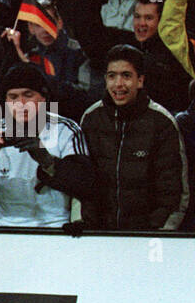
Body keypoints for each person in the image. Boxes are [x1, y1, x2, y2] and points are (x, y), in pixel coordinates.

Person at [0, 62, 96, 228]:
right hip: (6, 228)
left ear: (43, 97)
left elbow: (86, 183)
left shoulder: (66, 130)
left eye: (28, 95)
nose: (20, 103)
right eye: (13, 97)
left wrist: (47, 160)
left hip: (57, 226)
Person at [80, 45, 188, 230]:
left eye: (126, 76)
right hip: (98, 236)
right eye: (112, 76)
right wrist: (88, 228)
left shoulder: (162, 122)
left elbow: (173, 193)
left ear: (140, 80)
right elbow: (82, 184)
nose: (118, 84)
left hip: (147, 236)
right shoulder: (91, 118)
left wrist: (156, 234)